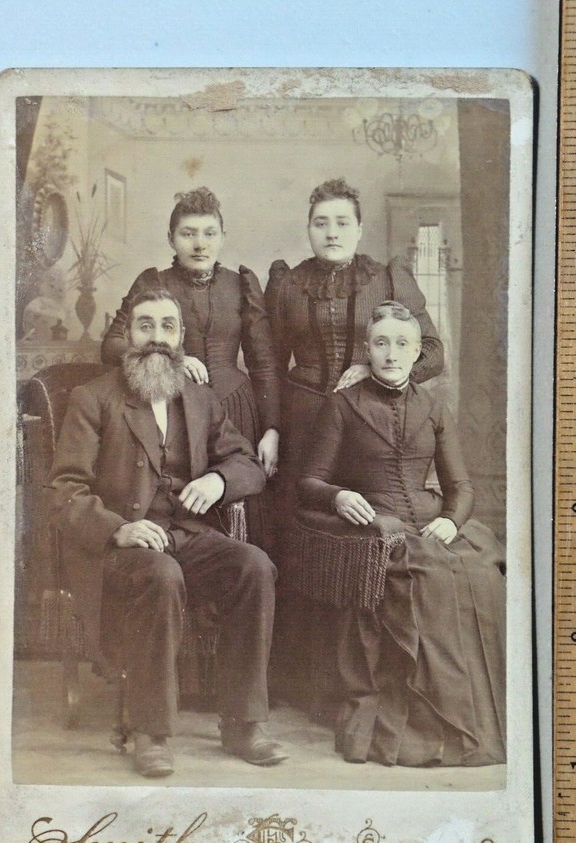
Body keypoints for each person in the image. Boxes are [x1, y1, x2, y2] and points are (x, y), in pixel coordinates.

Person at [49, 288, 287, 778]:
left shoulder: (199, 399)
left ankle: (243, 722)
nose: (157, 337)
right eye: (146, 326)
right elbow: (64, 489)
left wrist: (219, 480)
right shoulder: (93, 398)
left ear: (180, 338)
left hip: (187, 535)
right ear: (128, 335)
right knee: (161, 574)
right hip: (122, 548)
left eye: (167, 327)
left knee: (254, 567)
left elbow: (247, 463)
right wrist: (119, 529)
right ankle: (150, 730)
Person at [297, 302, 506, 767]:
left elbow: (460, 486)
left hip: (432, 520)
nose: (391, 354)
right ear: (367, 350)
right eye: (381, 343)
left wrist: (452, 521)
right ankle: (424, 728)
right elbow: (308, 481)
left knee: (482, 570)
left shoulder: (434, 406)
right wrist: (338, 497)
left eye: (402, 344)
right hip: (379, 527)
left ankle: (479, 722)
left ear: (417, 353)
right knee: (427, 574)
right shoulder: (342, 405)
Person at [101, 187, 280, 547]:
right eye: (188, 234)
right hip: (176, 410)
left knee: (243, 517)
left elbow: (263, 364)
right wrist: (172, 357)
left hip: (236, 410)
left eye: (209, 233)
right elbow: (111, 345)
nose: (200, 244)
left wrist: (273, 429)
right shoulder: (154, 283)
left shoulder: (241, 284)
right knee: (182, 505)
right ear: (171, 238)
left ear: (222, 237)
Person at [265, 177, 444, 480]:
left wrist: (375, 371)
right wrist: (271, 428)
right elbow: (271, 367)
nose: (332, 233)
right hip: (301, 422)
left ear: (359, 230)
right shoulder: (287, 285)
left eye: (343, 223)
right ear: (309, 230)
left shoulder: (388, 279)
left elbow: (433, 352)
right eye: (321, 224)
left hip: (369, 420)